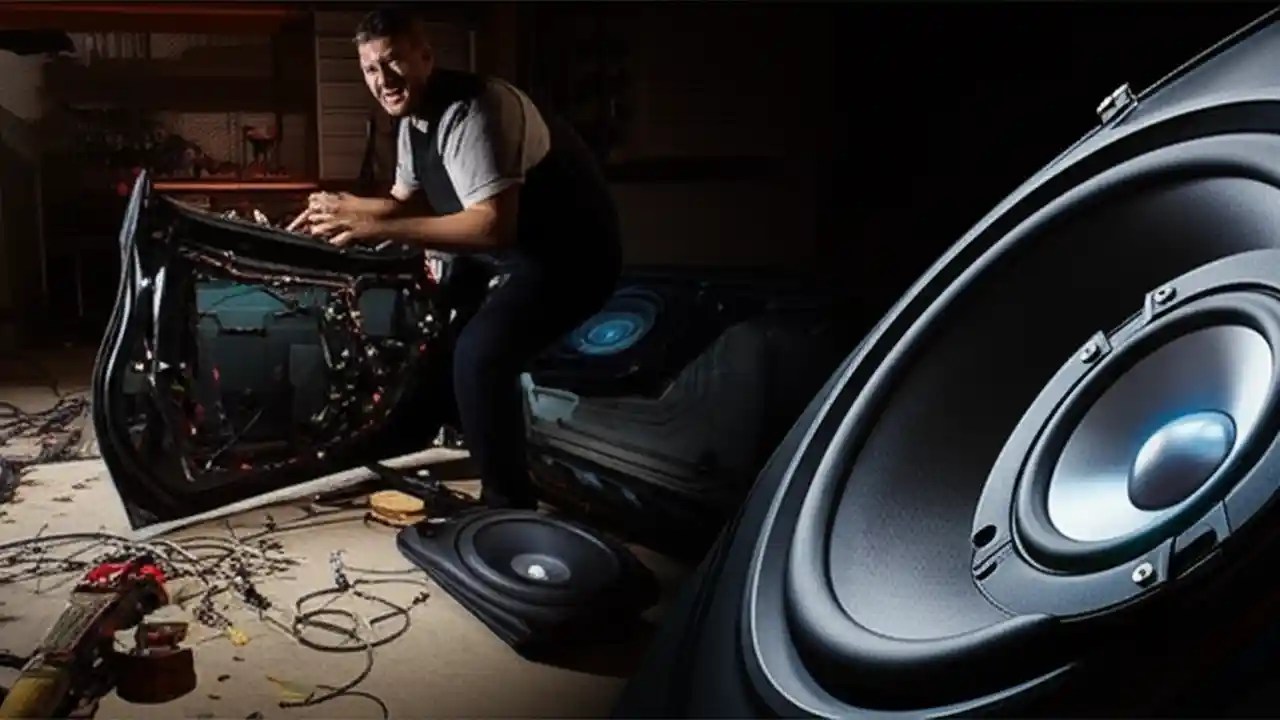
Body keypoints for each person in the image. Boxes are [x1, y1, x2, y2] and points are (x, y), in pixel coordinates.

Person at [289, 7, 622, 510]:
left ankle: (508, 506)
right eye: (371, 69)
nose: (384, 80)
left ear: (425, 57)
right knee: (432, 340)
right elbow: (407, 205)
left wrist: (372, 224)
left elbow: (491, 224)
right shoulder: (411, 123)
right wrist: (346, 207)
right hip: (505, 255)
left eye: (395, 61)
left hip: (569, 256)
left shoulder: (477, 108)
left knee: (481, 354)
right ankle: (398, 449)